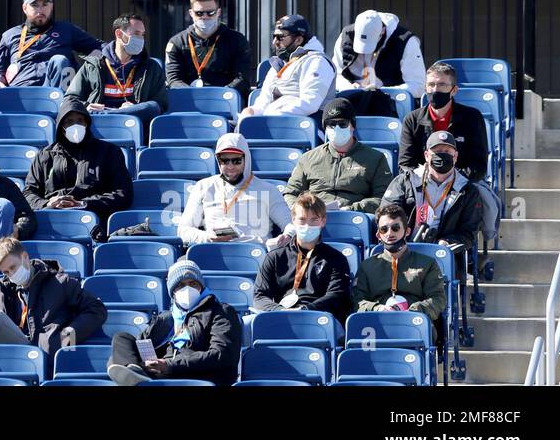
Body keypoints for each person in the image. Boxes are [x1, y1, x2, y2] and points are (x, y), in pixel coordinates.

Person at [0, 237, 106, 368]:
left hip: (45, 354)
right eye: (6, 272)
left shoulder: (61, 283)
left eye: (13, 267)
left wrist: (67, 336)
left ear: (25, 257)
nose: (11, 275)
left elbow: (97, 309)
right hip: (13, 355)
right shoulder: (2, 292)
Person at [107, 258, 243, 387]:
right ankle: (134, 374)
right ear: (173, 292)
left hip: (197, 373)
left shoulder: (221, 311)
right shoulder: (166, 318)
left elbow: (222, 354)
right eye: (181, 285)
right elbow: (141, 344)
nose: (188, 289)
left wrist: (169, 365)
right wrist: (140, 363)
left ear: (201, 287)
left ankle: (136, 379)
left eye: (193, 284)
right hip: (162, 371)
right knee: (121, 338)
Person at [24, 98, 133, 232]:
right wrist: (48, 203)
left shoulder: (109, 152)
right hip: (51, 220)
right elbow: (28, 193)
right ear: (61, 127)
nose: (75, 126)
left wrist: (83, 204)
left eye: (80, 121)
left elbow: (123, 193)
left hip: (93, 221)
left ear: (87, 123)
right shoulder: (45, 155)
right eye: (69, 122)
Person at [252, 192, 353, 321]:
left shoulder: (335, 258)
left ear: (323, 221)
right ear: (293, 220)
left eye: (314, 220)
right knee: (248, 323)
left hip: (318, 318)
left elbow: (337, 295)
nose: (307, 225)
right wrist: (279, 310)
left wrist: (306, 310)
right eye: (302, 219)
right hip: (281, 317)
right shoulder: (275, 257)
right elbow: (259, 296)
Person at [382, 130, 484, 258]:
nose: (442, 156)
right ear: (426, 155)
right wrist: (401, 236)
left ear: (456, 156)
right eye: (437, 151)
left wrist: (448, 242)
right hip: (403, 249)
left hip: (442, 254)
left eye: (447, 152)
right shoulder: (405, 181)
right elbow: (386, 214)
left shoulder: (467, 190)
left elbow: (469, 231)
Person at [281, 98, 393, 213]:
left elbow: (384, 198)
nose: (337, 128)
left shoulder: (375, 158)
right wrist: (303, 212)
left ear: (352, 126)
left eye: (342, 124)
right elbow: (291, 193)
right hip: (313, 218)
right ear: (325, 127)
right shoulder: (307, 159)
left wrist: (353, 209)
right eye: (331, 124)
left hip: (354, 216)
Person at [65, 12, 168, 137]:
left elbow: (159, 104)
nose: (141, 39)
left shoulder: (151, 67)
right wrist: (86, 106)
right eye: (136, 34)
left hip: (134, 129)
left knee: (151, 107)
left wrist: (129, 110)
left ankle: (109, 115)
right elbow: (69, 100)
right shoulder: (92, 65)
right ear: (119, 34)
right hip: (97, 131)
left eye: (142, 35)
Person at [178, 132, 291, 246]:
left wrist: (286, 236)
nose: (230, 166)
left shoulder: (268, 190)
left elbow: (290, 224)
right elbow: (184, 231)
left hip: (254, 253)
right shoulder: (203, 186)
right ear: (218, 161)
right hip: (213, 250)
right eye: (224, 161)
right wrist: (207, 237)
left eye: (236, 160)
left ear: (246, 160)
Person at [0, 0, 102, 90]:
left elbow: (101, 47)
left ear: (51, 7)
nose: (40, 10)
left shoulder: (66, 30)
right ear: (25, 8)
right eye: (34, 5)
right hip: (20, 91)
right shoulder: (9, 35)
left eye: (45, 4)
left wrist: (87, 71)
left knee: (59, 60)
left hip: (55, 93)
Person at [353, 203, 447, 324]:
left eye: (395, 228)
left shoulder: (427, 264)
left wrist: (414, 311)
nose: (390, 233)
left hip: (414, 323)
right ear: (378, 235)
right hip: (376, 323)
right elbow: (357, 301)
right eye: (384, 229)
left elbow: (438, 299)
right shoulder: (367, 266)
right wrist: (377, 308)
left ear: (407, 231)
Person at [399, 61, 491, 180]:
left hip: (463, 185)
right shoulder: (412, 119)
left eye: (442, 85)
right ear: (425, 88)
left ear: (454, 90)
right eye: (431, 84)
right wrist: (429, 180)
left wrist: (450, 180)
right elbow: (405, 165)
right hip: (422, 185)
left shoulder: (472, 117)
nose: (435, 89)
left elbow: (478, 166)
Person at [332, 9, 426, 117]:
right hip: (352, 103)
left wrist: (382, 90)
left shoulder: (406, 42)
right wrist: (348, 87)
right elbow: (336, 75)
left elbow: (418, 86)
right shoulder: (345, 38)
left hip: (392, 106)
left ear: (382, 31)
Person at [241, 14, 336, 119]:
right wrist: (251, 112)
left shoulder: (317, 61)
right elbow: (263, 103)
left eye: (280, 37)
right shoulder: (278, 64)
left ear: (298, 40)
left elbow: (310, 104)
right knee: (232, 135)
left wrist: (273, 116)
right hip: (273, 122)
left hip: (306, 126)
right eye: (274, 36)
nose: (275, 42)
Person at [164, 0, 253, 95]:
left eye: (210, 13)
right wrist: (192, 94)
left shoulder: (237, 40)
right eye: (199, 13)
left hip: (225, 99)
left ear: (218, 12)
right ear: (191, 13)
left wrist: (219, 95)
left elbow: (242, 79)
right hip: (188, 100)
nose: (205, 17)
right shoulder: (177, 42)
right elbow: (173, 80)